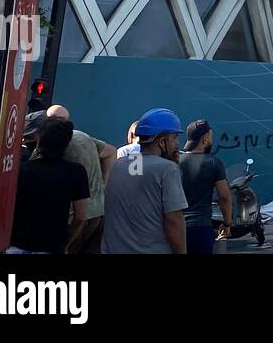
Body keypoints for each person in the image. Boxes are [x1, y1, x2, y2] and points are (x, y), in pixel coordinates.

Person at [103, 108, 188, 254]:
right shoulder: (168, 169)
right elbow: (173, 220)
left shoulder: (120, 164)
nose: (176, 144)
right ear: (162, 141)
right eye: (174, 138)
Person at [39, 104, 115, 254]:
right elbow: (111, 152)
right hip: (97, 210)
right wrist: (103, 185)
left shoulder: (54, 141)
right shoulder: (83, 136)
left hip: (76, 215)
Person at [9, 115, 89, 255]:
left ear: (39, 140)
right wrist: (66, 243)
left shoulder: (20, 169)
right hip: (52, 246)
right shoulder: (76, 172)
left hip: (16, 244)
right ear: (67, 142)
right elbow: (80, 217)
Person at [179, 119, 231, 254]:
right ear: (205, 139)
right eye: (211, 137)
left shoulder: (175, 162)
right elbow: (224, 197)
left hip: (176, 226)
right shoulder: (214, 163)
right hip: (201, 227)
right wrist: (227, 223)